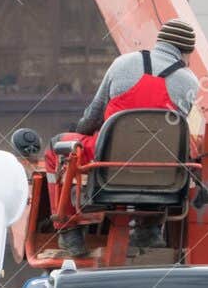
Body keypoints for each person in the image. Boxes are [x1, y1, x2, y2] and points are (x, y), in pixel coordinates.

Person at [46, 19, 199, 256]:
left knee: (56, 147)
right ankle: (148, 229)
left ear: (160, 43)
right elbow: (174, 130)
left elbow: (92, 118)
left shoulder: (123, 64)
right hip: (160, 170)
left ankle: (68, 230)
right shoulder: (190, 81)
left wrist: (82, 130)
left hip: (108, 161)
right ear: (186, 52)